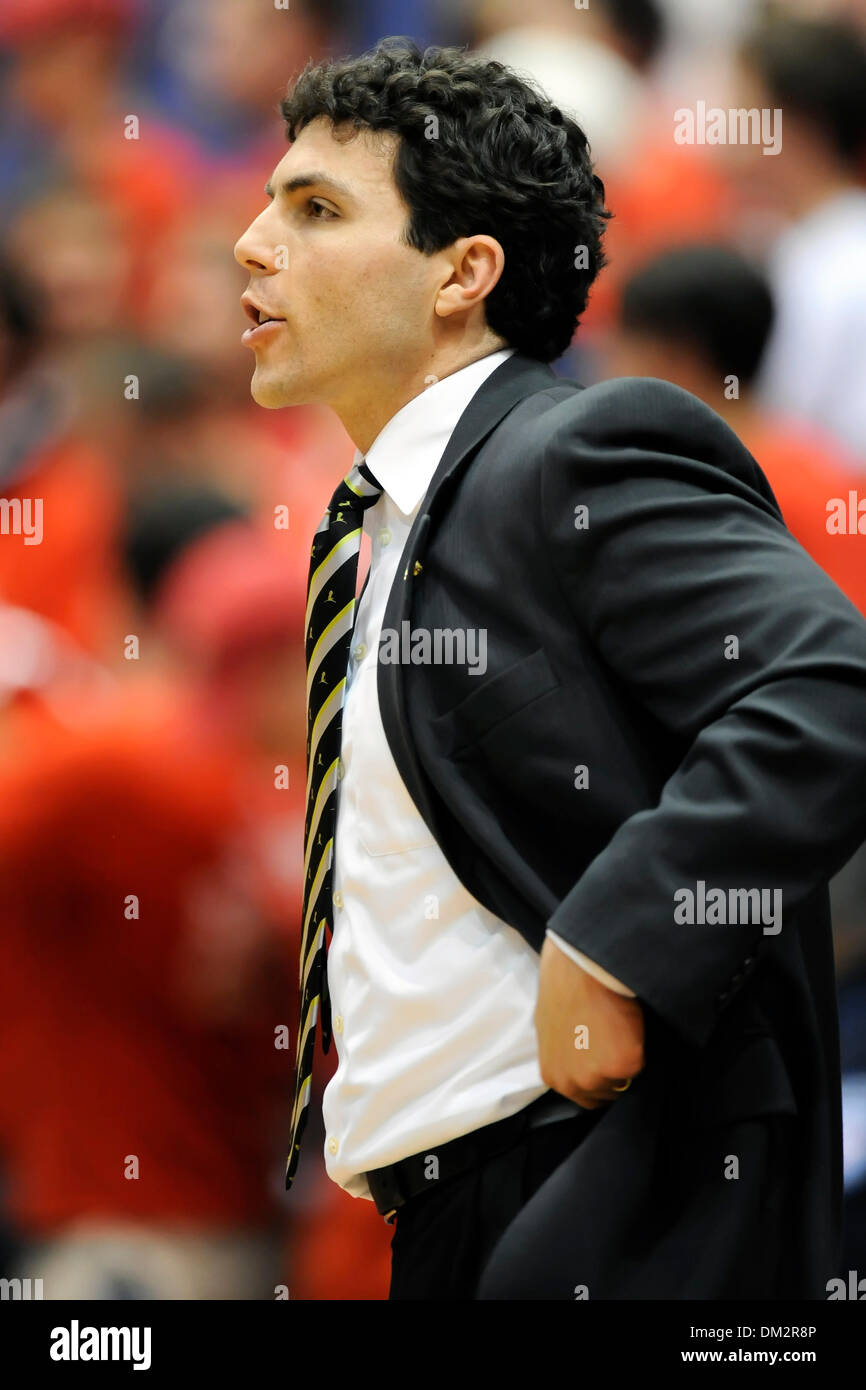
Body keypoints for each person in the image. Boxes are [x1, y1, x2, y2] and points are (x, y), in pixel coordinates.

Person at [233, 37, 866, 1300]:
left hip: (610, 1195)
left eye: (314, 209)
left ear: (463, 272)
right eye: (266, 201)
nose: (251, 243)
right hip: (452, 1216)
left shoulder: (574, 451)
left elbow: (824, 687)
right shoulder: (384, 530)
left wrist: (622, 937)